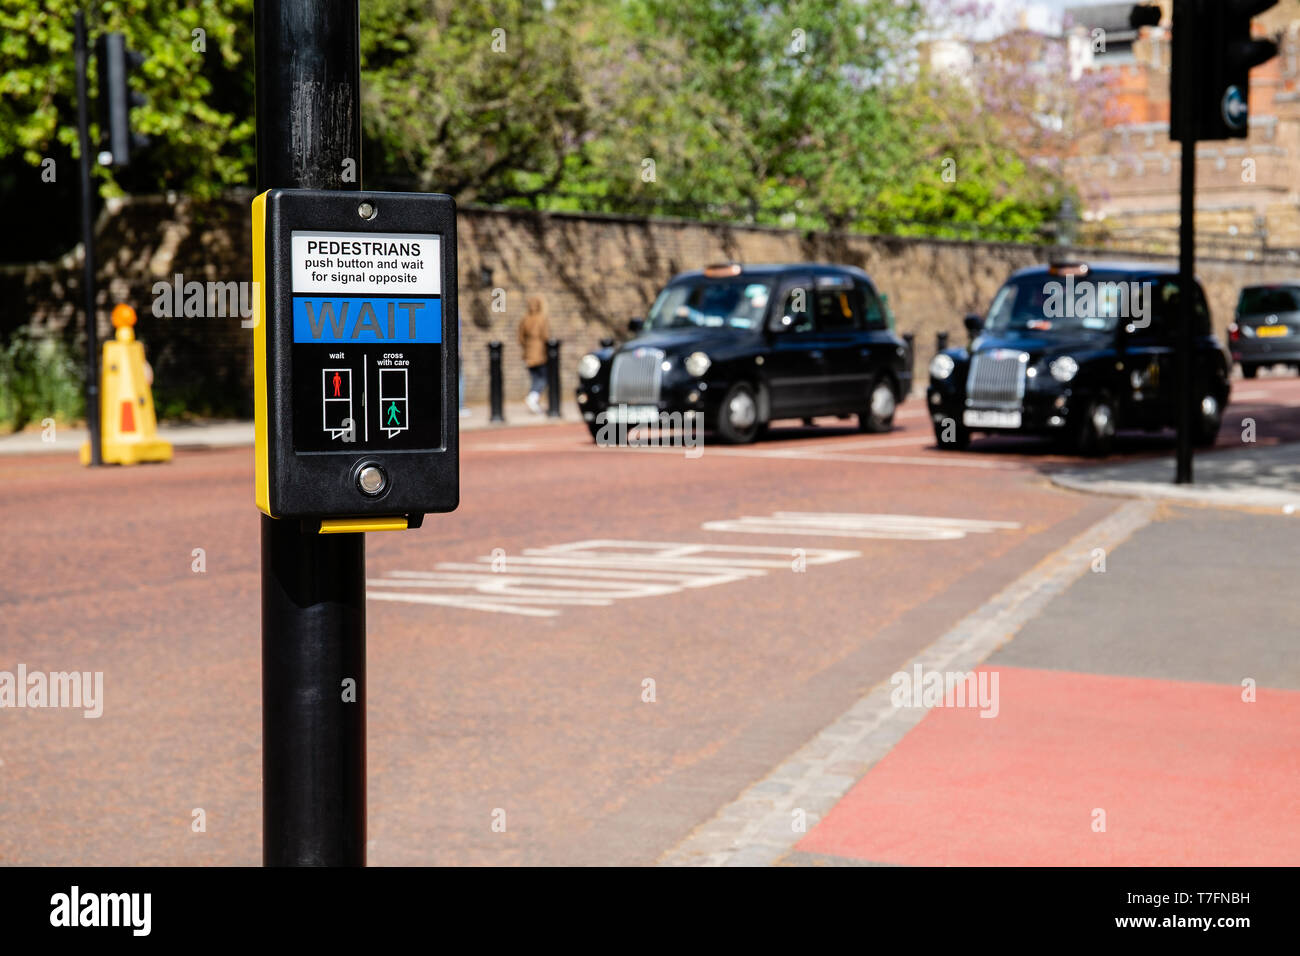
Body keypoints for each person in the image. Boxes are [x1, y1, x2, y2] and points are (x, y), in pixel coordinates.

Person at [518, 294, 551, 414]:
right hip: (540, 352)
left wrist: (527, 348)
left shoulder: (525, 319)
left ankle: (534, 400)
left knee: (535, 377)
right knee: (543, 378)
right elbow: (546, 336)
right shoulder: (542, 318)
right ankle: (533, 397)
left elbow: (520, 338)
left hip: (528, 352)